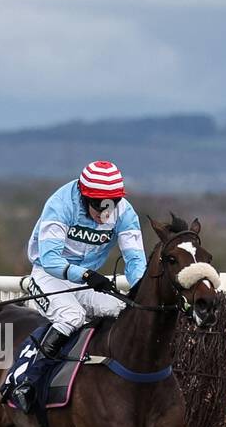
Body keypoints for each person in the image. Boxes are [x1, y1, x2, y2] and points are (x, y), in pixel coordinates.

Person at [8, 160, 146, 411]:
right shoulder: (60, 204)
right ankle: (27, 382)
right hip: (48, 275)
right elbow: (50, 260)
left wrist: (144, 295)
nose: (106, 212)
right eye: (98, 204)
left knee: (124, 312)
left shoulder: (125, 213)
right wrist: (84, 275)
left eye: (112, 203)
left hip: (86, 279)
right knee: (72, 316)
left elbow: (136, 262)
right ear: (84, 196)